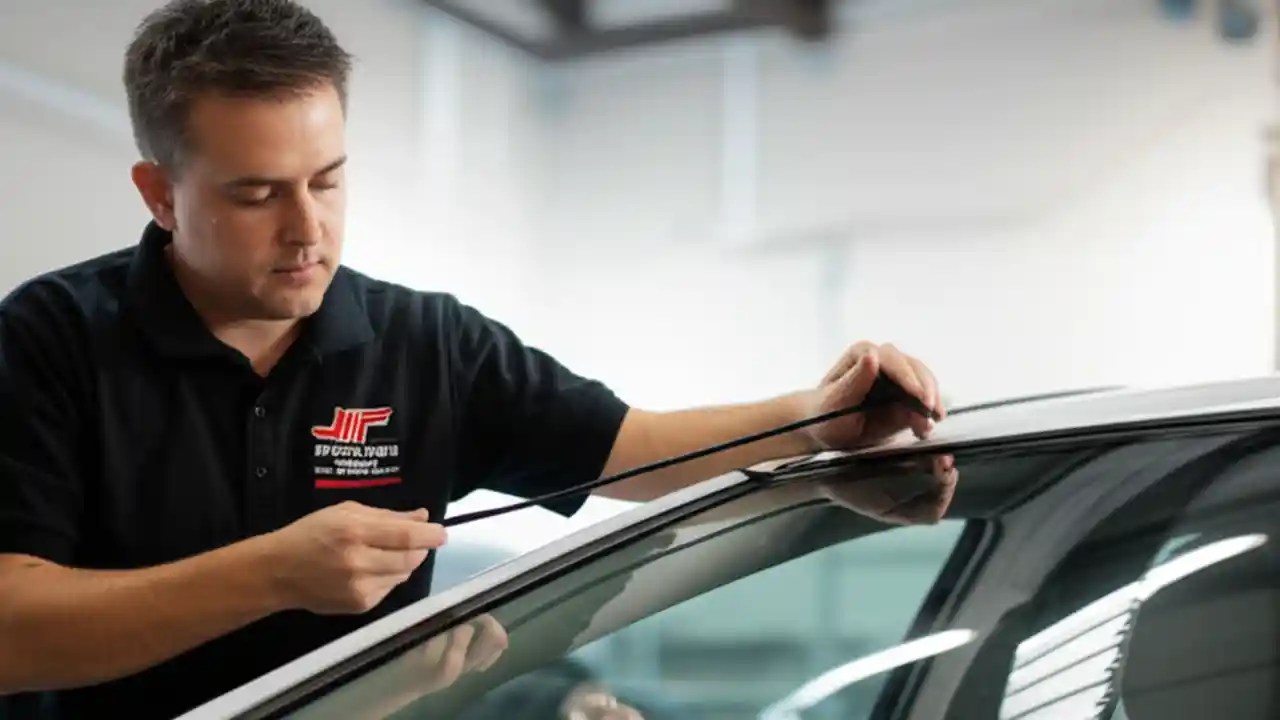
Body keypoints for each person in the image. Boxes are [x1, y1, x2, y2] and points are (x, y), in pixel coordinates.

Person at [0, 1, 950, 717]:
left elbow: (635, 449)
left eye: (329, 181)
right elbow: (11, 630)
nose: (308, 230)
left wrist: (813, 422)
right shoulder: (49, 341)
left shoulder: (430, 346)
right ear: (160, 194)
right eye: (256, 195)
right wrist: (274, 573)